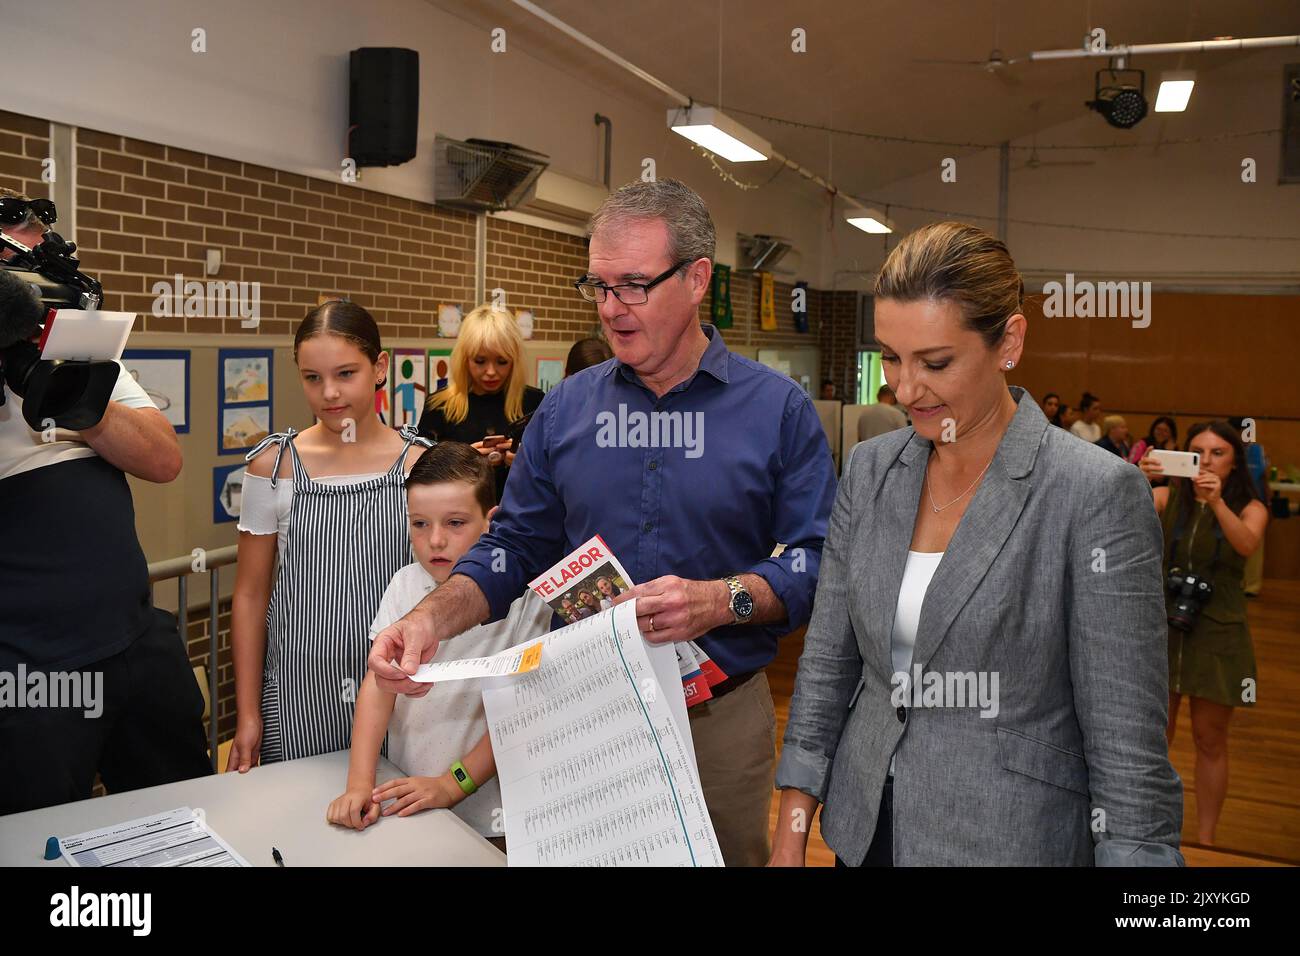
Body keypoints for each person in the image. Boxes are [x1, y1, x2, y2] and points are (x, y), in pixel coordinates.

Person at [368, 178, 836, 867]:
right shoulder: (564, 412)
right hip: (580, 711)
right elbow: (512, 548)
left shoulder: (777, 411)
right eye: (599, 286)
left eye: (634, 286)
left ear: (697, 279)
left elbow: (814, 561)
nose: (611, 309)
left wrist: (720, 600)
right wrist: (428, 620)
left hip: (716, 719)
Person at [772, 221, 1183, 866]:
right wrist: (790, 835)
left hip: (1008, 840)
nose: (906, 389)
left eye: (935, 363)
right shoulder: (872, 471)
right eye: (891, 357)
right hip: (866, 833)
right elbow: (828, 665)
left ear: (1008, 342)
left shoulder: (1093, 493)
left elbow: (1126, 741)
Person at [0, 196, 209, 814]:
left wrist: (67, 393)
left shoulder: (76, 349)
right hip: (30, 670)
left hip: (136, 639)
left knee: (181, 810)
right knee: (36, 830)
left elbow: (163, 459)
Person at [228, 301, 430, 771]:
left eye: (345, 373)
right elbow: (251, 595)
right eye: (312, 378)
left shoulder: (420, 465)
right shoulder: (272, 467)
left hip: (399, 691)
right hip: (297, 694)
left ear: (380, 368)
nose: (330, 392)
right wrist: (248, 712)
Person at [326, 442, 552, 848]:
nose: (435, 541)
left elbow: (522, 709)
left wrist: (451, 784)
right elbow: (378, 686)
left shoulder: (527, 601)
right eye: (419, 524)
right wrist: (359, 784)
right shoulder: (404, 584)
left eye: (454, 523)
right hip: (410, 802)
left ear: (492, 523)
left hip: (497, 820)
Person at [1139, 421, 1268, 845]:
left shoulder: (1251, 506)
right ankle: (1150, 829)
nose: (1207, 461)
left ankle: (1207, 840)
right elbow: (1117, 516)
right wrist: (1138, 479)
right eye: (1198, 452)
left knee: (1209, 739)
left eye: (1218, 453)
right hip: (1163, 627)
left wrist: (1216, 504)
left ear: (1235, 462)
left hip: (1218, 634)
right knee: (1155, 736)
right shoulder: (1166, 497)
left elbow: (1246, 544)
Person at [417, 305, 544, 503]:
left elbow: (554, 470)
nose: (491, 372)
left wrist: (528, 463)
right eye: (480, 361)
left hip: (519, 514)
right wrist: (460, 463)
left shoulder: (535, 403)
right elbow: (419, 478)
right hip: (457, 513)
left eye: (502, 361)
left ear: (515, 360)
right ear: (464, 359)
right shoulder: (439, 406)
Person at [1128, 416, 1178, 484]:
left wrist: (1169, 451)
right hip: (1141, 481)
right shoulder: (1142, 444)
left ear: (1171, 434)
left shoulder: (1173, 447)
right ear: (1153, 429)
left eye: (1165, 431)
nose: (1161, 433)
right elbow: (1130, 466)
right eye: (1158, 429)